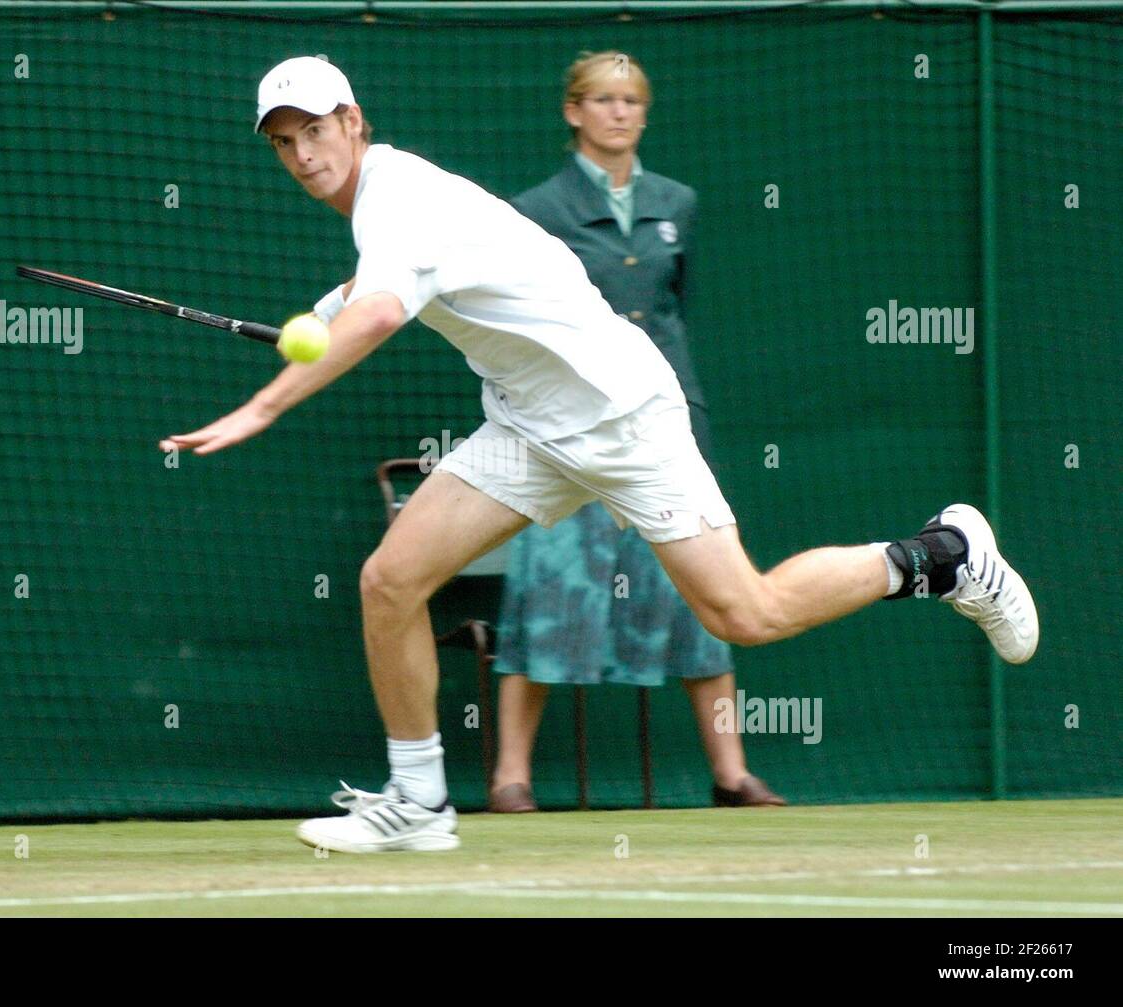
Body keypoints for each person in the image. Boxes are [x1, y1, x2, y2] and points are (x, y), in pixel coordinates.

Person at [159, 55, 1038, 854]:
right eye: (285, 142)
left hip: (622, 417)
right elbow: (369, 288)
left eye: (316, 130)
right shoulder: (389, 209)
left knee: (747, 613)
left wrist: (260, 408)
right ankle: (420, 802)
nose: (305, 153)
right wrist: (321, 316)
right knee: (389, 580)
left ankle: (945, 557)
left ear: (354, 120)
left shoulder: (399, 193)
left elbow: (384, 311)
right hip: (529, 428)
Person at [490, 51, 783, 814]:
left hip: (664, 424)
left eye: (631, 100)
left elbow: (673, 310)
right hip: (571, 429)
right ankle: (510, 779)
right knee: (547, 593)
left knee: (704, 598)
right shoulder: (533, 210)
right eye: (602, 99)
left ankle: (732, 774)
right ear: (572, 111)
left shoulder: (676, 202)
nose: (619, 112)